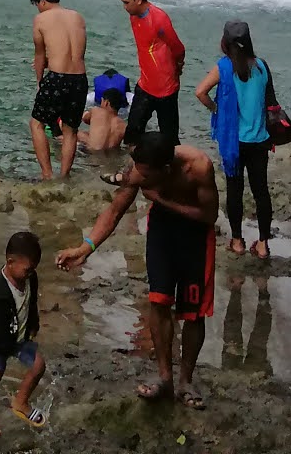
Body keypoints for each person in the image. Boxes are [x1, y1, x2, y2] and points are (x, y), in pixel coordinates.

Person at [57, 132, 218, 408]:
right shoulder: (141, 168)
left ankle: (186, 382)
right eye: (138, 171)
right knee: (159, 301)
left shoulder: (199, 166)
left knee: (194, 313)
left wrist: (162, 200)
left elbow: (209, 215)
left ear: (165, 169)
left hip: (196, 237)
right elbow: (116, 210)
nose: (139, 177)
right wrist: (85, 248)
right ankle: (165, 378)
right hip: (162, 232)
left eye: (146, 175)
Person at [194, 21, 279, 258]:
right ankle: (263, 244)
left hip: (234, 142)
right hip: (259, 139)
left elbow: (200, 92)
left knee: (235, 190)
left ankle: (237, 241)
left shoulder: (223, 67)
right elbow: (270, 101)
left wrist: (216, 109)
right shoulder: (261, 66)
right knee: (261, 191)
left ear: (225, 42)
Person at [0, 230, 49, 436]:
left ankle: (21, 402)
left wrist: (34, 323)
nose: (30, 274)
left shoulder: (30, 279)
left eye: (33, 270)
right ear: (10, 262)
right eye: (27, 269)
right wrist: (3, 348)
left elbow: (32, 302)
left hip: (20, 337)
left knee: (38, 366)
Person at [27, 0, 88, 181]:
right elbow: (76, 53)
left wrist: (39, 82)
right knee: (70, 130)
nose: (38, 9)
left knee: (37, 124)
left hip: (57, 78)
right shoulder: (78, 17)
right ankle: (64, 176)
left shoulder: (41, 19)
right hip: (79, 79)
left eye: (37, 4)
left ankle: (47, 174)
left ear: (43, 1)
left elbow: (39, 55)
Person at [117, 0, 185, 147]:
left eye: (126, 2)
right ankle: (134, 163)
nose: (124, 7)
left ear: (138, 0)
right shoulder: (134, 16)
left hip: (166, 88)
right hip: (145, 85)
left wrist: (178, 67)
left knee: (169, 139)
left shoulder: (159, 19)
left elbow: (178, 47)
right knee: (132, 133)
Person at [82, 73, 129, 153]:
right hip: (109, 156)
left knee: (73, 132)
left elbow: (84, 119)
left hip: (90, 153)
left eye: (102, 101)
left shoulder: (96, 111)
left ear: (106, 102)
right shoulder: (124, 126)